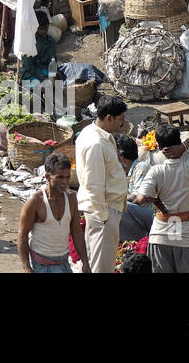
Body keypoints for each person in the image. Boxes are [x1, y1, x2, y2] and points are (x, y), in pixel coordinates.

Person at [131, 122, 189, 273]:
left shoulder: (156, 171)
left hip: (161, 234)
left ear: (160, 148)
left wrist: (156, 200)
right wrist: (185, 145)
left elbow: (140, 199)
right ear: (179, 141)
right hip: (185, 236)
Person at [74, 95, 129, 273]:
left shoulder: (96, 133)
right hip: (103, 210)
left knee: (99, 260)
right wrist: (103, 215)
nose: (122, 124)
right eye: (120, 120)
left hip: (105, 208)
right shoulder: (96, 143)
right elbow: (94, 184)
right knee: (102, 266)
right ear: (108, 118)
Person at [18, 152, 89, 273]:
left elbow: (76, 232)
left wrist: (85, 261)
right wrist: (26, 267)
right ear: (47, 177)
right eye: (60, 177)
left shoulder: (71, 198)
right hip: (40, 264)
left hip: (63, 262)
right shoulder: (36, 201)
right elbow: (22, 235)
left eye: (67, 177)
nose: (65, 182)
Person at [116, 135, 154, 243]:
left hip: (149, 215)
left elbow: (137, 198)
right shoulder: (124, 172)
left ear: (121, 156)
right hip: (138, 214)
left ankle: (138, 239)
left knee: (119, 206)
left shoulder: (141, 167)